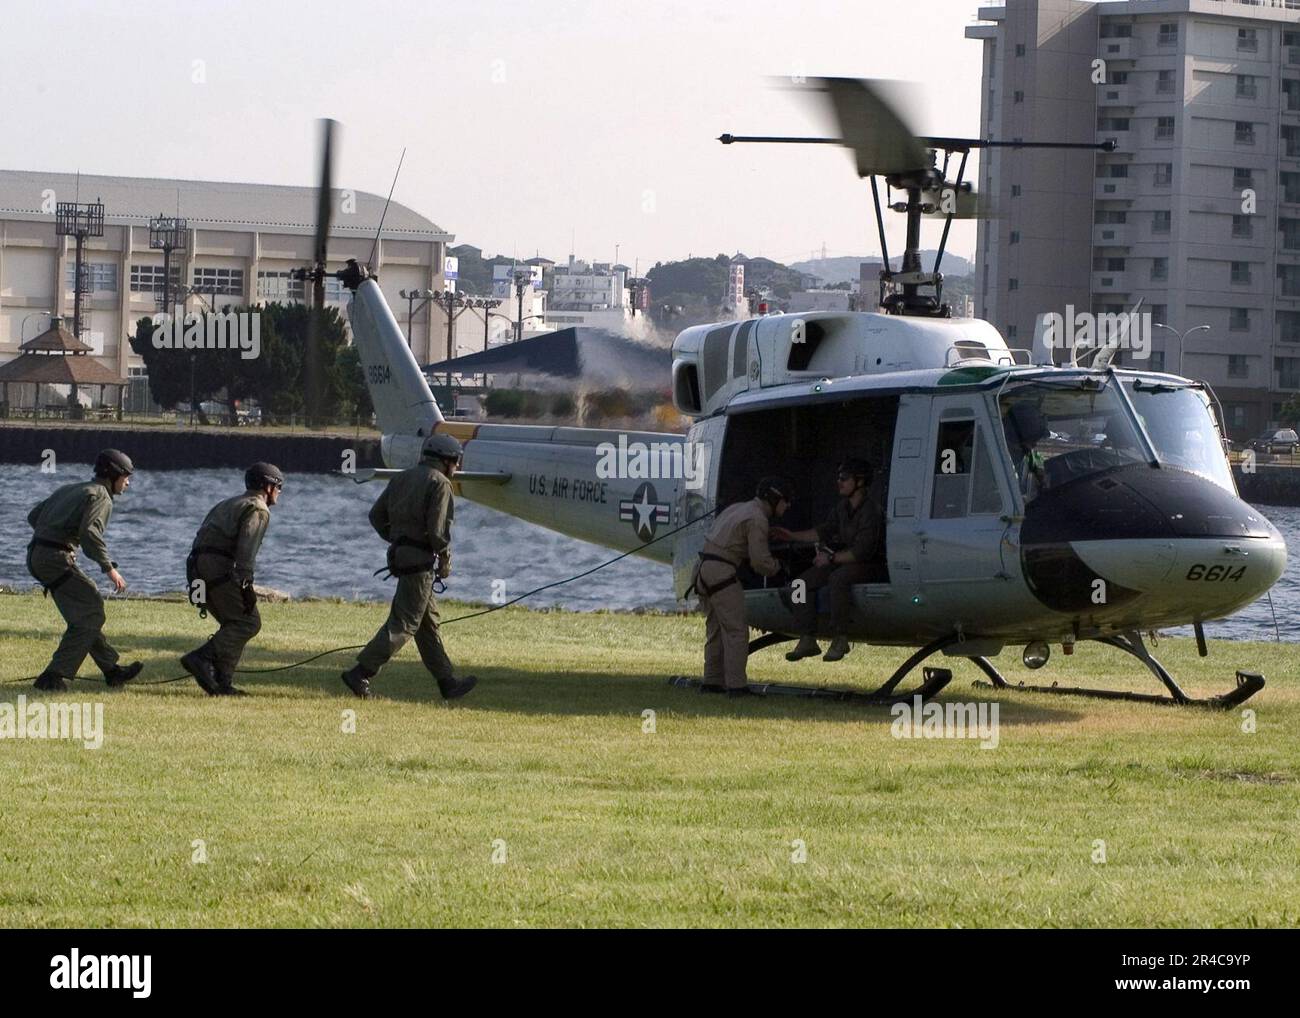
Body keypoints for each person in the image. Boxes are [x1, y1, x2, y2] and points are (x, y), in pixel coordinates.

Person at [341, 433, 478, 701]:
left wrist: (399, 539)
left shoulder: (402, 477)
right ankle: (361, 672)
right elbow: (438, 531)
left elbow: (376, 516)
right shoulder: (440, 483)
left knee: (426, 625)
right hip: (421, 563)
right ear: (447, 460)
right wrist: (445, 559)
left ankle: (447, 682)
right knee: (405, 623)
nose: (457, 467)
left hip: (401, 557)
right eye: (456, 461)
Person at [25, 448, 142, 691]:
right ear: (113, 475)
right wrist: (109, 568)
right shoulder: (101, 496)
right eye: (126, 477)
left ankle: (112, 670)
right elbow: (90, 534)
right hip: (55, 558)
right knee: (93, 611)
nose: (128, 483)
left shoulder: (72, 488)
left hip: (37, 555)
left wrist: (57, 535)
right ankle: (53, 676)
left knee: (84, 616)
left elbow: (34, 516)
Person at [180, 463, 283, 696]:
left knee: (233, 623)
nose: (279, 492)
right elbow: (246, 552)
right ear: (267, 486)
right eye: (278, 486)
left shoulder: (227, 503)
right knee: (248, 622)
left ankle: (221, 682)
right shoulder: (258, 509)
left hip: (197, 569)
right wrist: (246, 585)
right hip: (218, 569)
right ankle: (201, 658)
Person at [772, 457, 882, 663]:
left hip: (868, 564)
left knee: (838, 579)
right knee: (799, 584)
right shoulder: (842, 508)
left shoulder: (870, 511)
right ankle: (807, 637)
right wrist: (792, 535)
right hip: (843, 560)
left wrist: (830, 558)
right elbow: (823, 531)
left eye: (844, 478)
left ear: (859, 482)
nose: (839, 482)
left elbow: (863, 552)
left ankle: (840, 637)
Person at [692, 477, 789, 697]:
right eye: (786, 501)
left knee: (715, 629)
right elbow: (759, 562)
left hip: (702, 570)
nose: (788, 505)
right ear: (774, 499)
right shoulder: (758, 519)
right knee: (736, 631)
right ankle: (737, 687)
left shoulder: (738, 508)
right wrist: (778, 568)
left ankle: (712, 682)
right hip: (722, 574)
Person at [1003, 401, 1049, 501]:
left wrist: (1043, 479)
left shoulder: (1031, 456)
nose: (1035, 444)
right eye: (1033, 439)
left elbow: (1041, 472)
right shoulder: (994, 455)